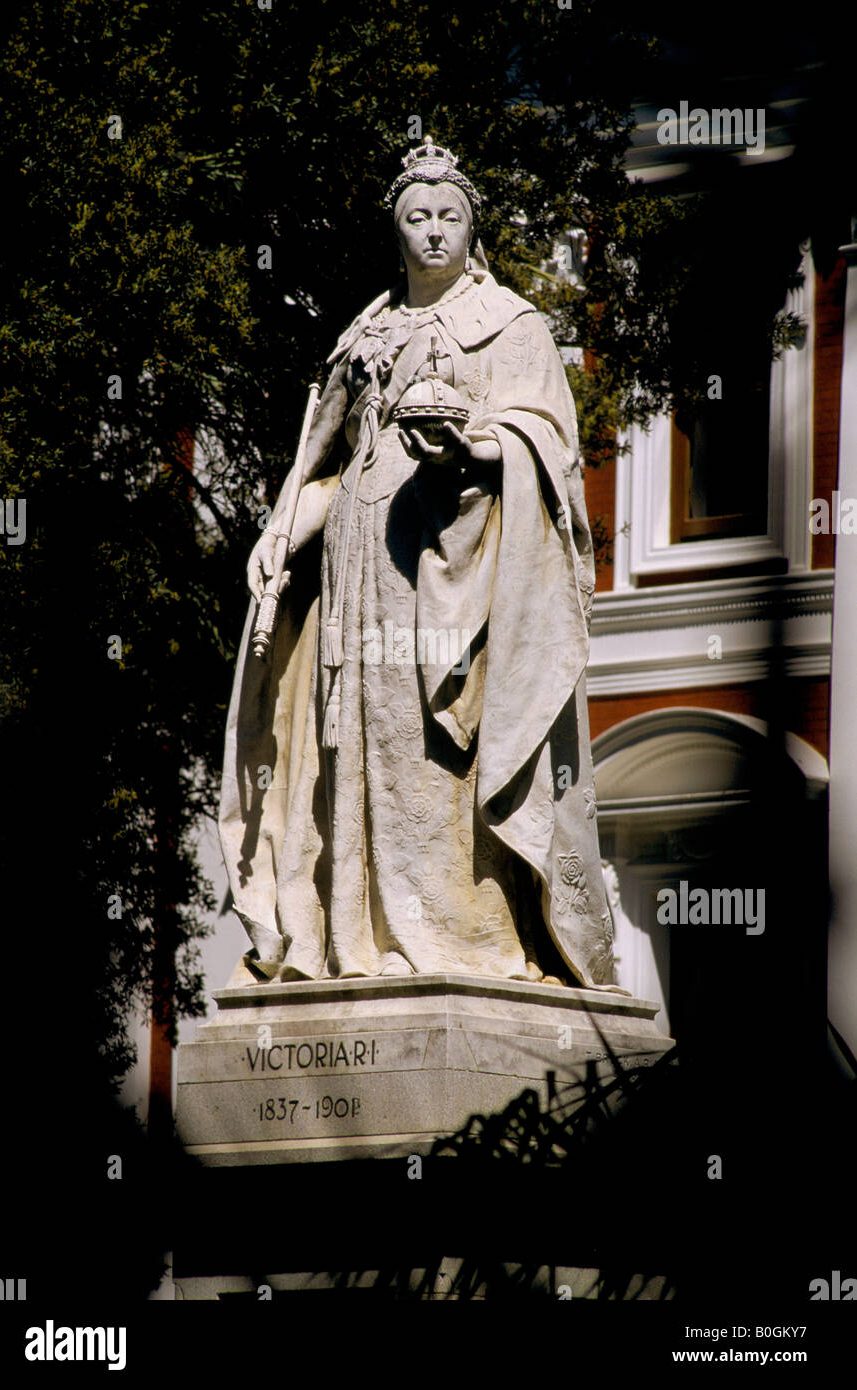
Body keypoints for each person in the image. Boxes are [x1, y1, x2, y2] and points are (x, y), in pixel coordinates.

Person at [219, 138, 615, 989]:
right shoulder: (363, 336)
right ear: (395, 231)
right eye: (416, 217)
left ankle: (464, 947)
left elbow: (548, 445)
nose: (434, 232)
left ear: (474, 229)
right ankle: (355, 943)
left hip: (452, 576)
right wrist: (281, 532)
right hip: (358, 579)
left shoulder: (511, 327)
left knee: (435, 757)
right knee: (352, 757)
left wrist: (473, 450)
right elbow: (323, 467)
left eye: (450, 217)